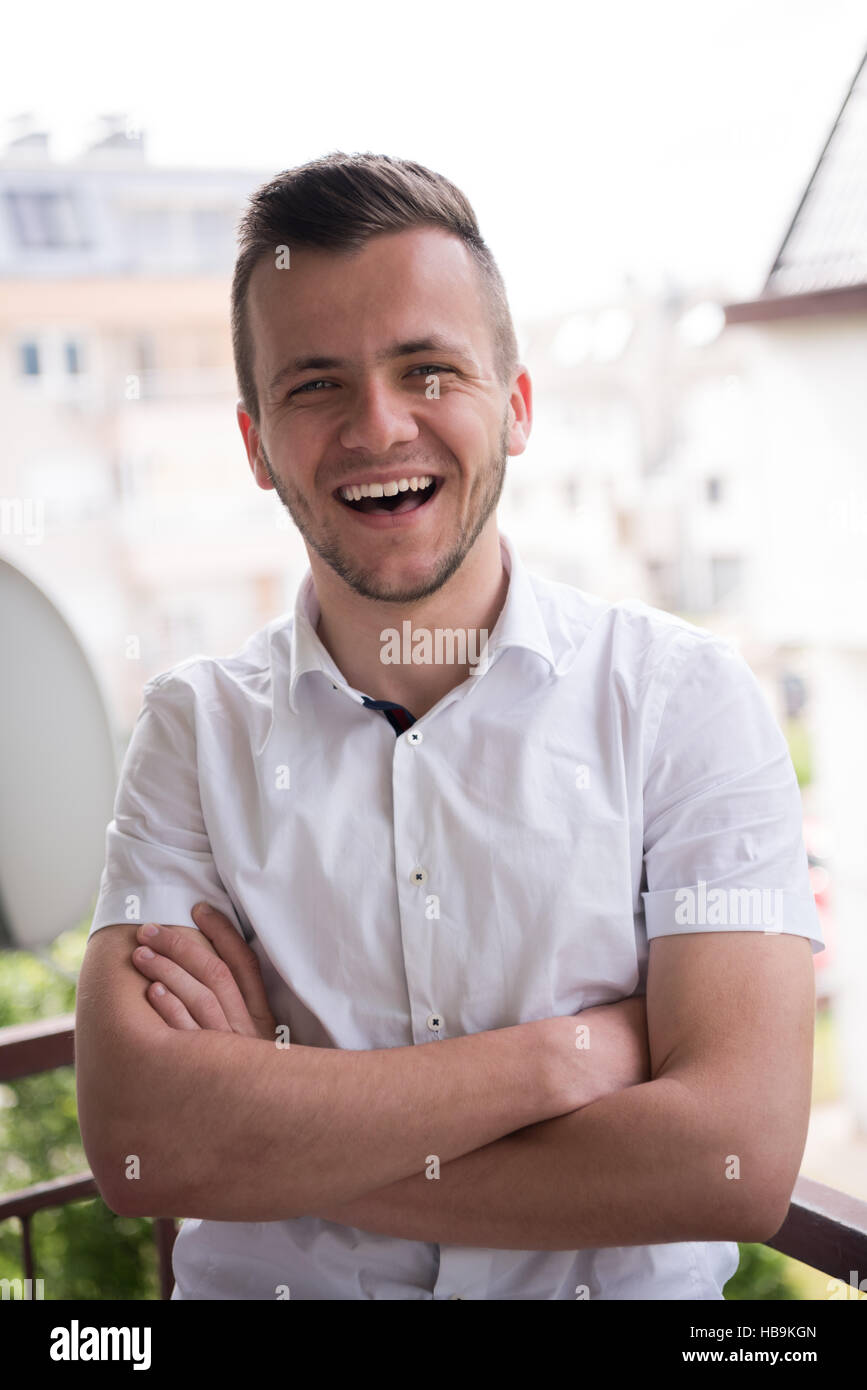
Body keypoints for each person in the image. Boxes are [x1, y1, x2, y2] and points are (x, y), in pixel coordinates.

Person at [75, 152, 823, 1301]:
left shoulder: (686, 698)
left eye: (428, 369)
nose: (380, 426)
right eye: (315, 385)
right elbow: (140, 1143)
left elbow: (732, 1161)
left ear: (515, 406)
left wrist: (273, 1140)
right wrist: (566, 1056)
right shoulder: (192, 729)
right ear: (256, 443)